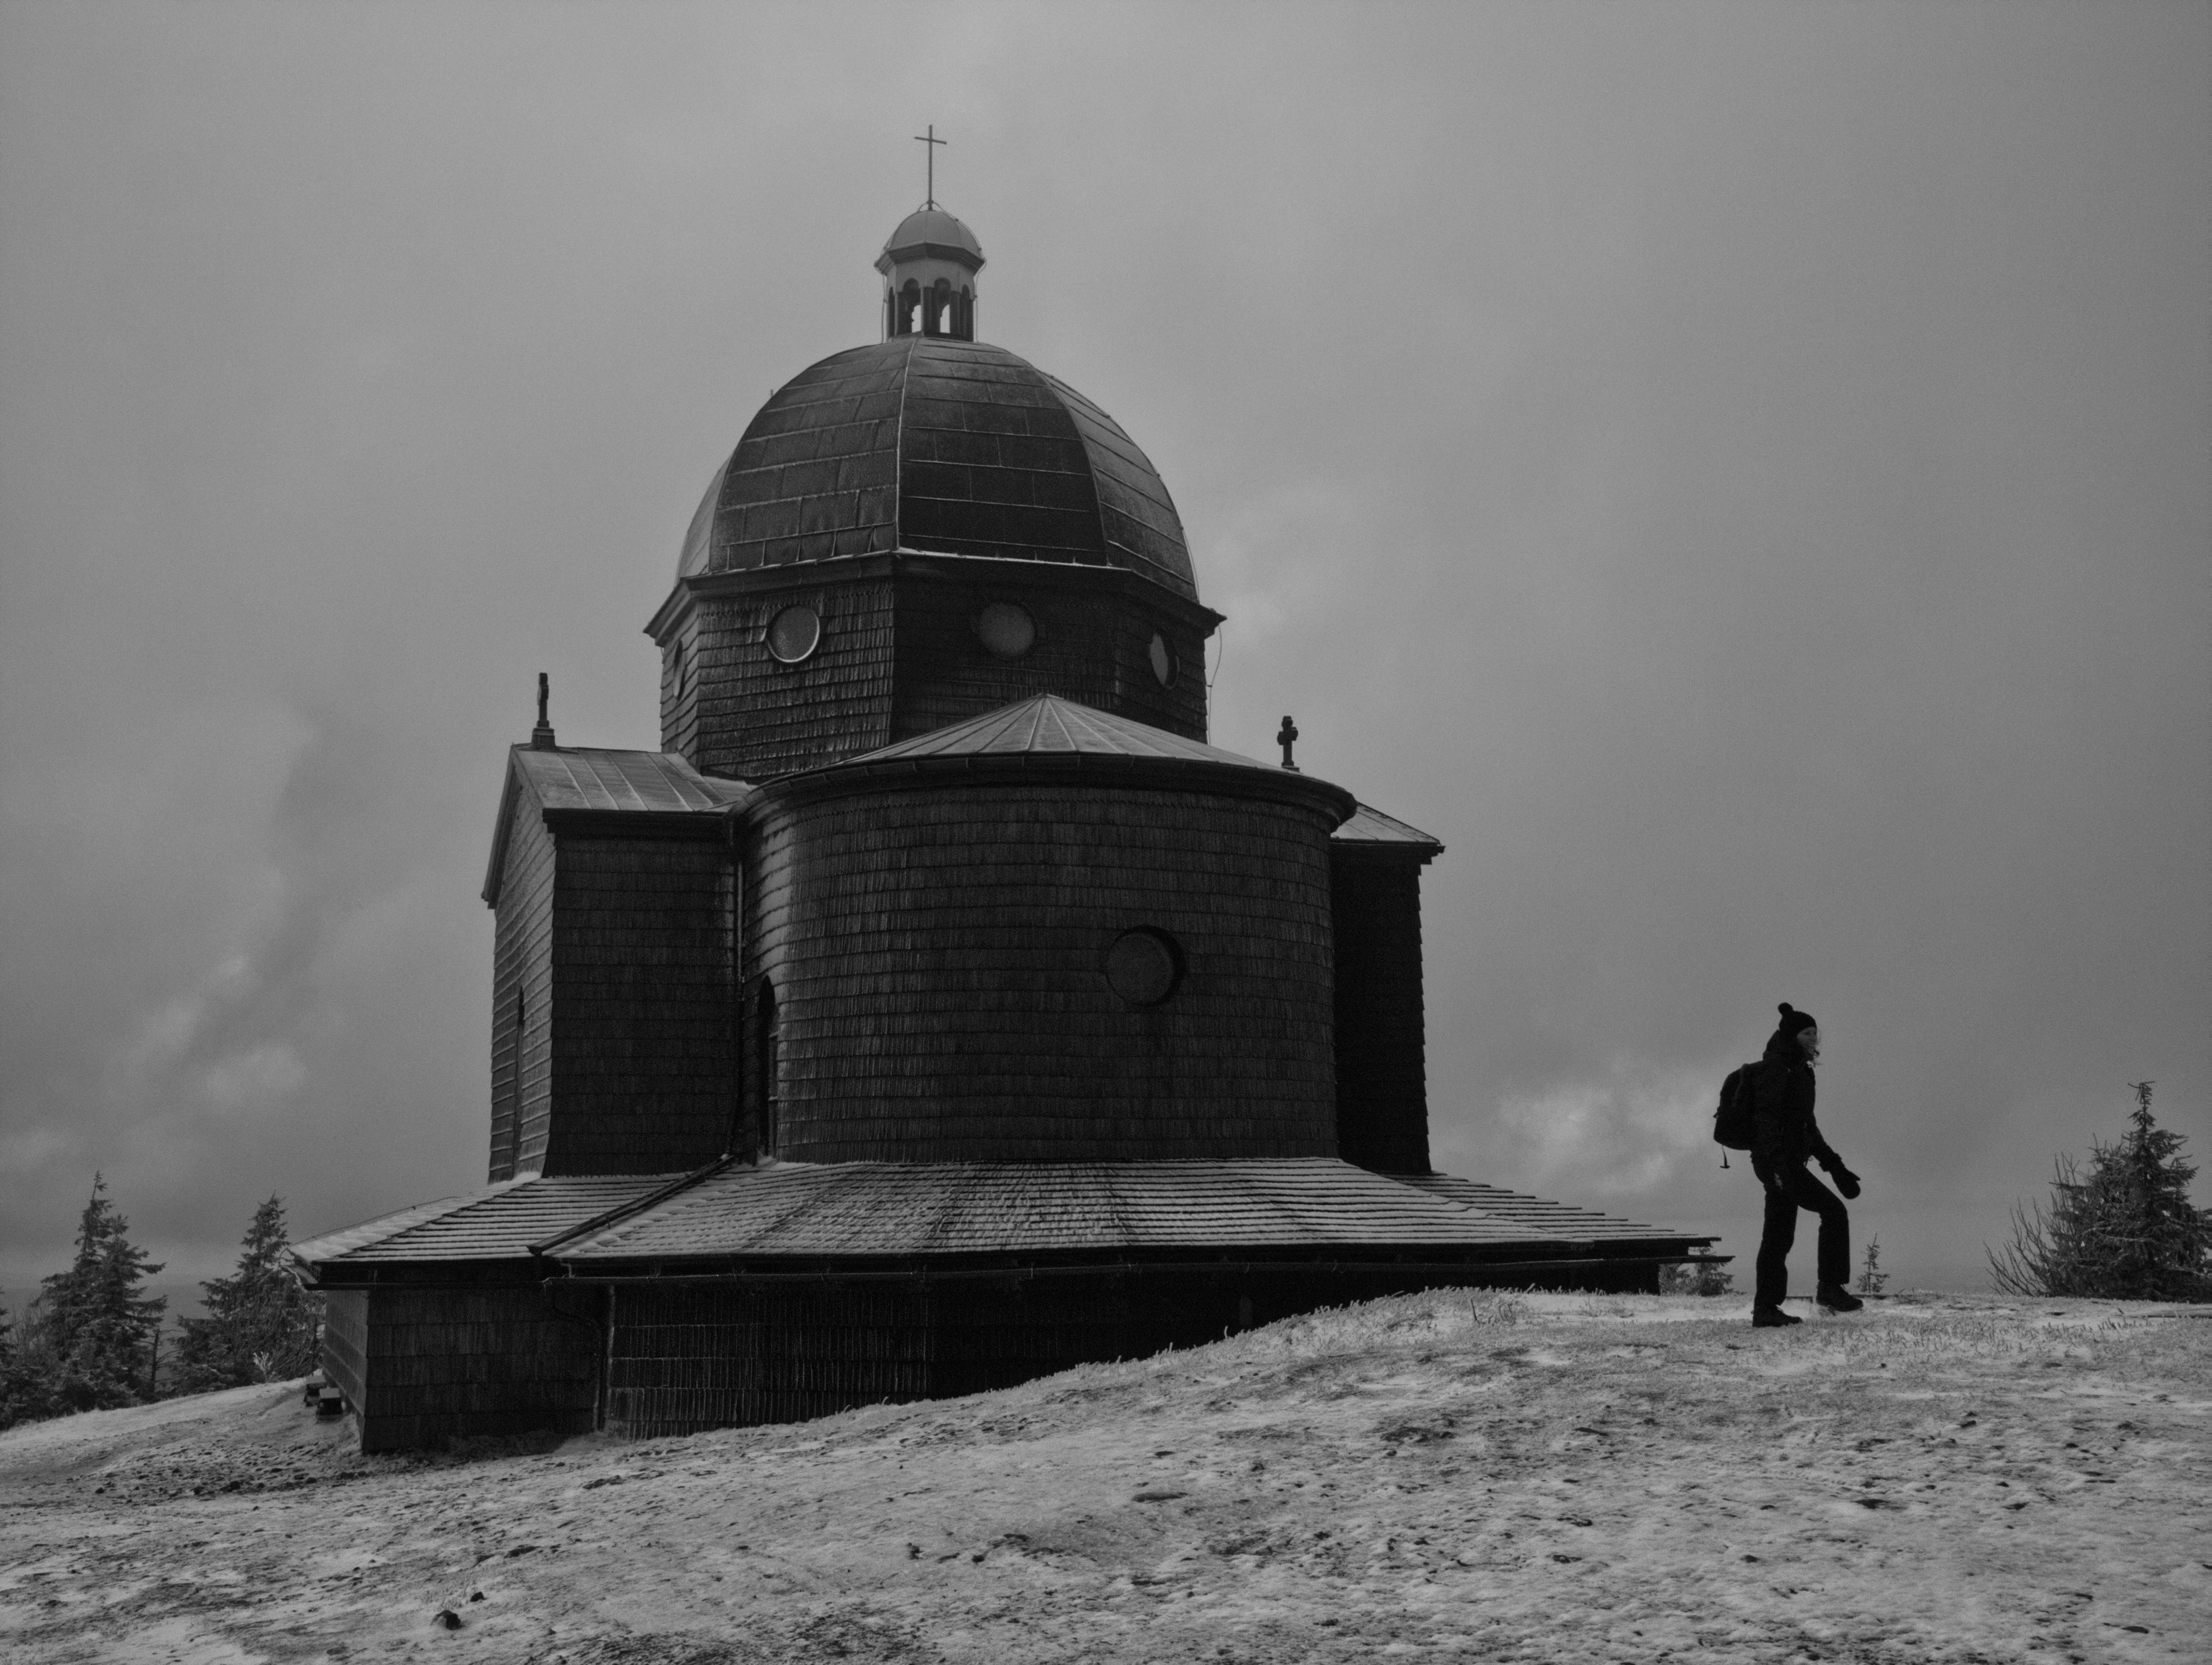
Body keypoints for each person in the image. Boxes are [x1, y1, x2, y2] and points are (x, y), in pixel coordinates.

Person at [1749, 1003, 1863, 1327]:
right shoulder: (1777, 1070)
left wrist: (1834, 1165)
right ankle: (1829, 1288)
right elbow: (1766, 1120)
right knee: (1834, 1211)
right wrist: (1777, 1167)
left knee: (1778, 1236)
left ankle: (1766, 1310)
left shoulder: (1799, 1071)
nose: (1814, 1038)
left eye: (1815, 1032)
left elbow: (1807, 1127)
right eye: (1806, 1033)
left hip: (1784, 1162)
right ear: (1792, 1035)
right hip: (1778, 1163)